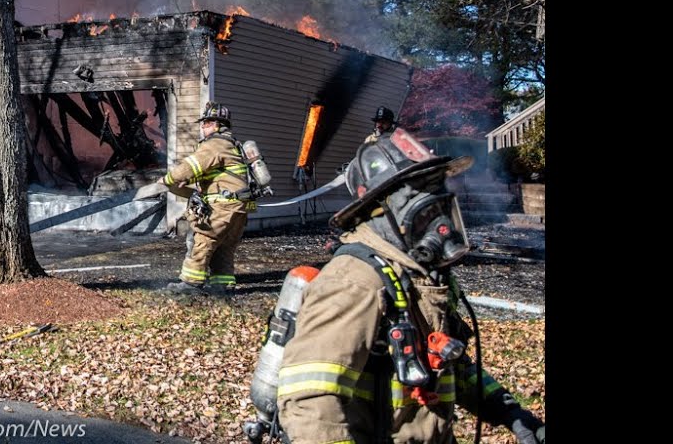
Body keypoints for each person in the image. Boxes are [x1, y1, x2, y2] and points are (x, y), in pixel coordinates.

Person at [275, 129, 546, 443]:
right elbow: (310, 405)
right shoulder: (355, 282)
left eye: (436, 186)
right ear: (378, 208)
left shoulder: (421, 273)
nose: (437, 208)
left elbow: (450, 366)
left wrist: (508, 411)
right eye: (417, 191)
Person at [163, 101, 254, 295]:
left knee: (203, 239)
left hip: (223, 205)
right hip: (239, 206)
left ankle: (190, 284)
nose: (202, 127)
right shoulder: (232, 144)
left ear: (215, 124)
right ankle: (222, 285)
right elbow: (216, 172)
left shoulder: (215, 144)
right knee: (224, 246)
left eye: (205, 123)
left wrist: (168, 179)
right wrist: (192, 180)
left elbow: (191, 165)